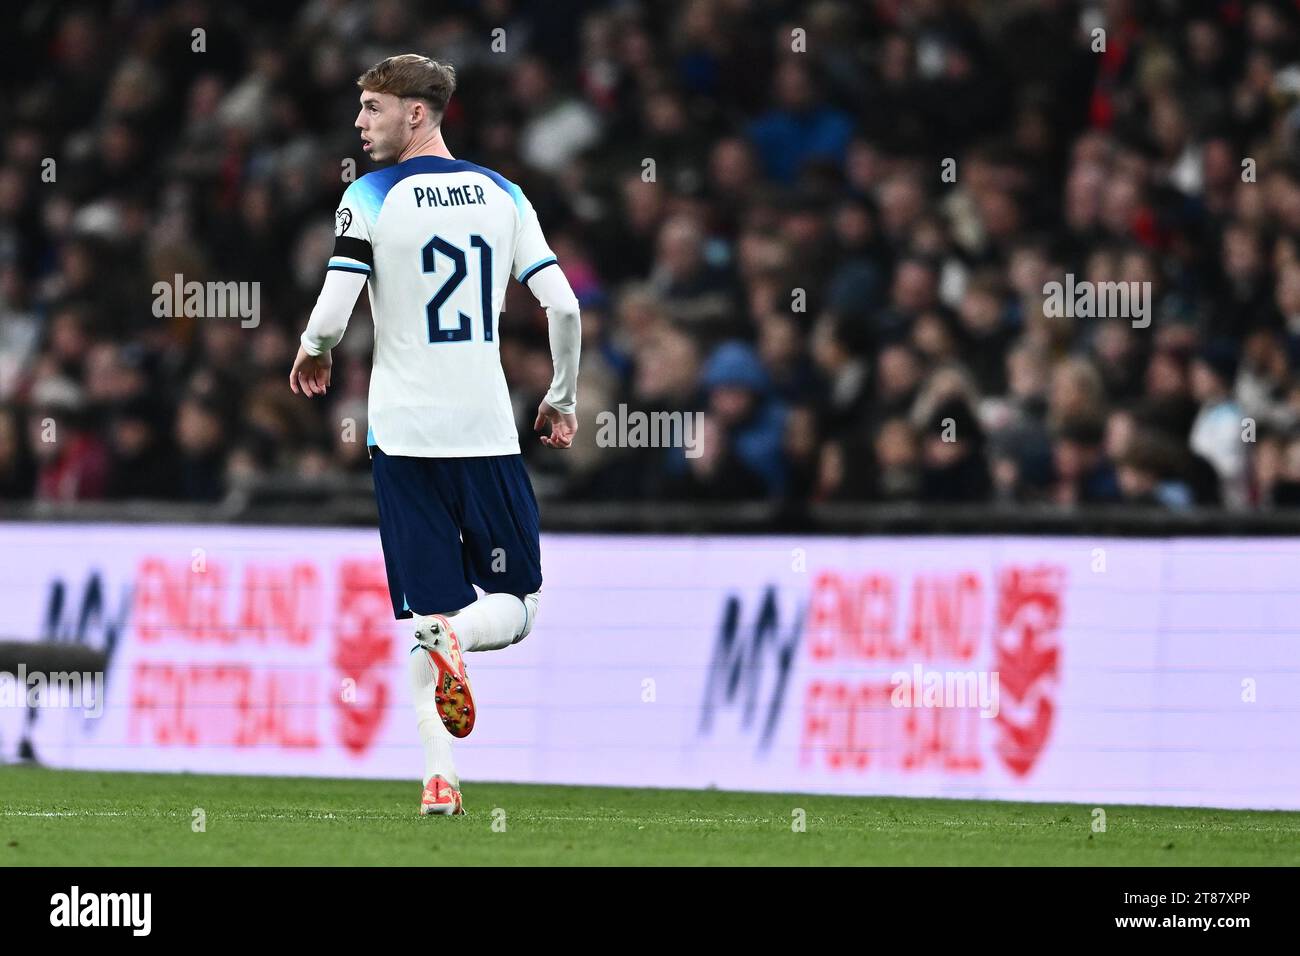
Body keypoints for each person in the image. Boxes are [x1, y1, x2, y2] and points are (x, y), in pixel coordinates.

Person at [289, 55, 581, 816]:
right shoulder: (504, 193)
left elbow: (332, 307)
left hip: (401, 435)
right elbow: (566, 309)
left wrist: (315, 350)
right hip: (483, 428)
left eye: (373, 109)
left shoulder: (370, 194)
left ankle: (439, 776)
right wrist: (560, 398)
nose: (360, 123)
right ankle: (459, 652)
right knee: (518, 600)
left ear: (418, 114)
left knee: (428, 615)